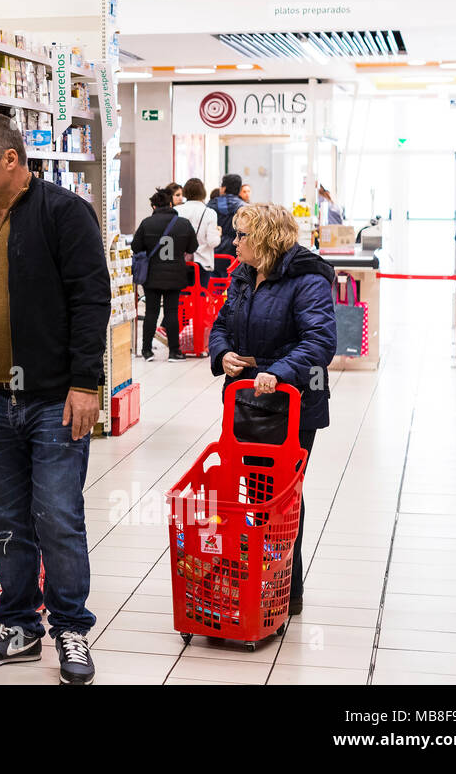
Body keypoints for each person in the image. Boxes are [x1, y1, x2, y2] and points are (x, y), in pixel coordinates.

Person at [0, 112, 111, 685]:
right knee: (6, 518)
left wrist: (86, 383)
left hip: (50, 398)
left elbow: (92, 301)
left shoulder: (65, 213)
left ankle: (70, 628)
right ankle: (18, 625)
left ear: (10, 160)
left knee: (58, 516)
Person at [208, 203, 337, 615]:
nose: (234, 242)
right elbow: (221, 325)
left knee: (280, 497)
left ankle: (286, 588)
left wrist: (280, 373)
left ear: (264, 238)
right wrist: (222, 352)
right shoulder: (244, 276)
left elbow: (320, 341)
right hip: (246, 399)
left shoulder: (307, 279)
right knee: (258, 493)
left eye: (242, 235)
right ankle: (263, 580)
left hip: (292, 405)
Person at [133, 186, 197, 361]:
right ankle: (174, 352)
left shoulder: (147, 223)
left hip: (152, 275)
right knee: (171, 312)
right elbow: (193, 247)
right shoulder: (183, 223)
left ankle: (146, 350)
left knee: (152, 312)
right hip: (175, 274)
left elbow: (136, 247)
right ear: (170, 204)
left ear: (154, 206)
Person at [176, 177, 222, 288]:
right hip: (202, 262)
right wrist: (218, 234)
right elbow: (213, 242)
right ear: (203, 192)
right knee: (199, 300)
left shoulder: (177, 211)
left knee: (182, 299)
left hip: (180, 262)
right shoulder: (209, 213)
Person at [211, 174, 246, 266]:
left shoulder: (210, 205)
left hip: (214, 251)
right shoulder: (244, 208)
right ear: (239, 190)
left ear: (223, 188)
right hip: (236, 252)